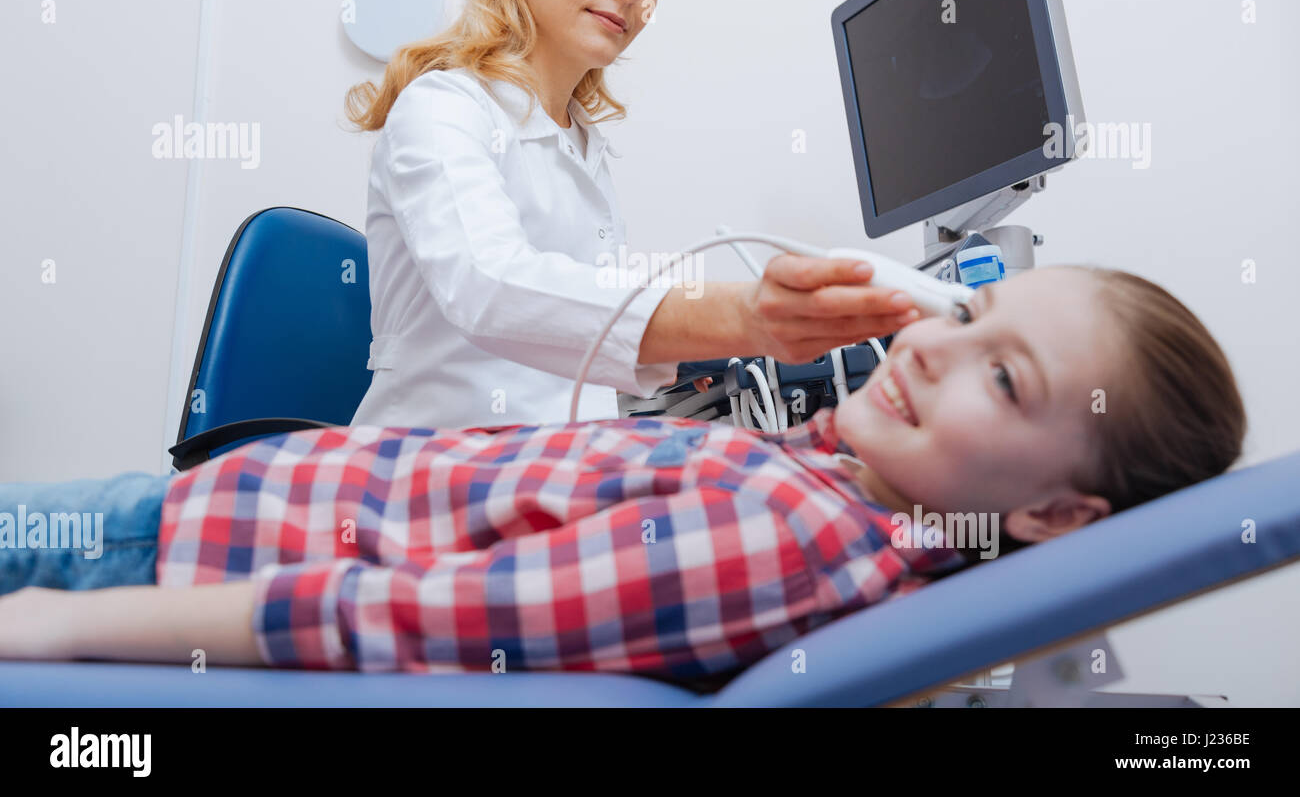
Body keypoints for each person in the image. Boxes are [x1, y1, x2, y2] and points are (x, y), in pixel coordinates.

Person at [0, 266, 1247, 680]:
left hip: (150, 558)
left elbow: (390, 614)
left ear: (1050, 512)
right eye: (963, 309)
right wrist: (796, 315)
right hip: (207, 511)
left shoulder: (792, 537)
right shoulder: (840, 498)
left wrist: (63, 627)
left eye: (1003, 375)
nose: (926, 341)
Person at [340, 0, 918, 430]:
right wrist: (741, 314)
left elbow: (580, 332)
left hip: (549, 461)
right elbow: (490, 287)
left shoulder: (583, 145)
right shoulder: (444, 107)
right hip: (431, 466)